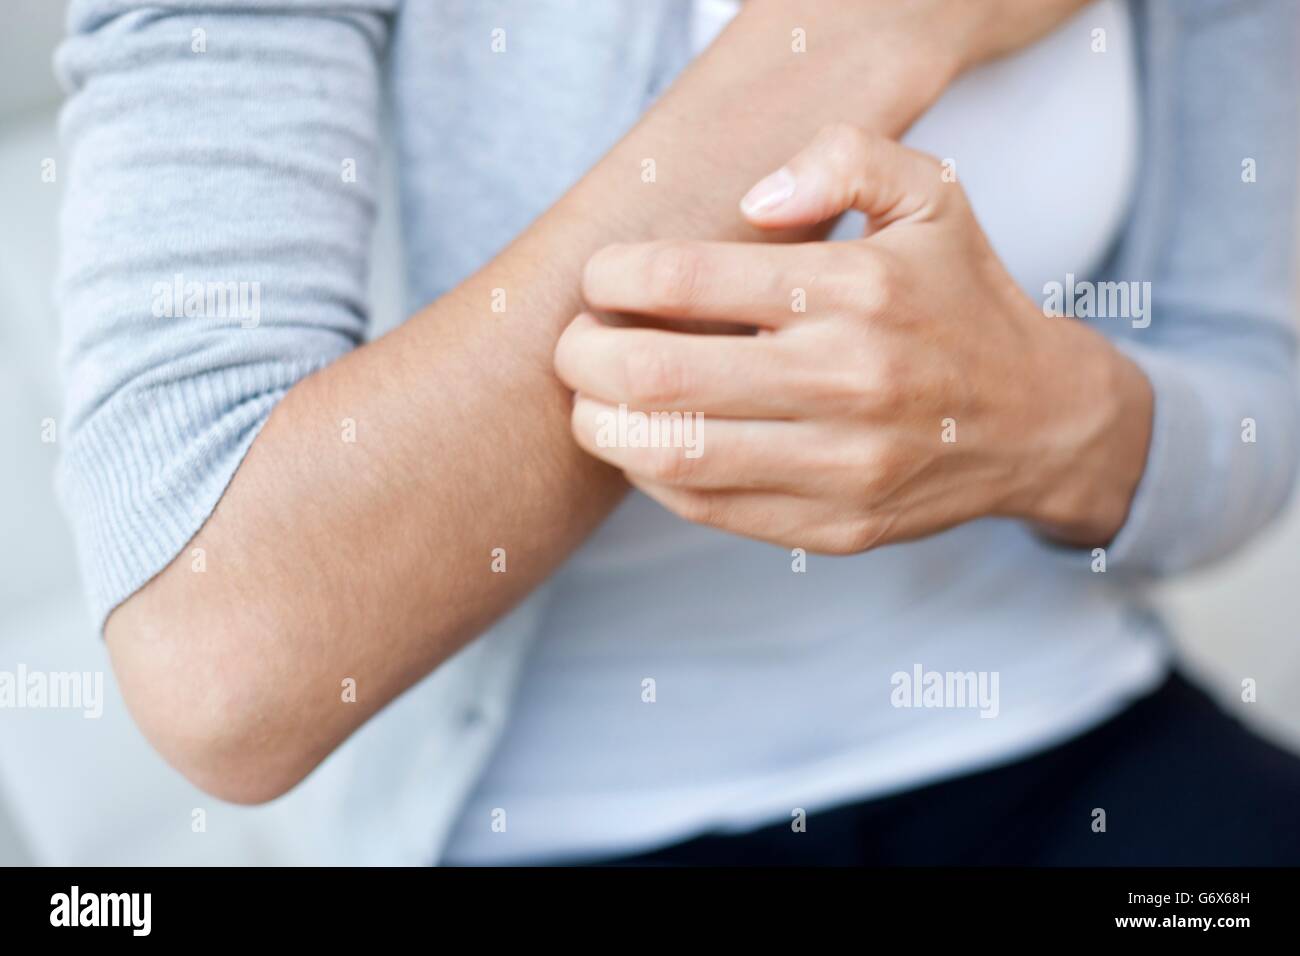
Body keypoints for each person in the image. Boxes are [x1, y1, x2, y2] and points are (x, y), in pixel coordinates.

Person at [55, 0, 1300, 865]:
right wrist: (873, 35)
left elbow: (1247, 395)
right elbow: (229, 666)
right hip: (553, 824)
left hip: (1076, 738)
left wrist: (1041, 418)